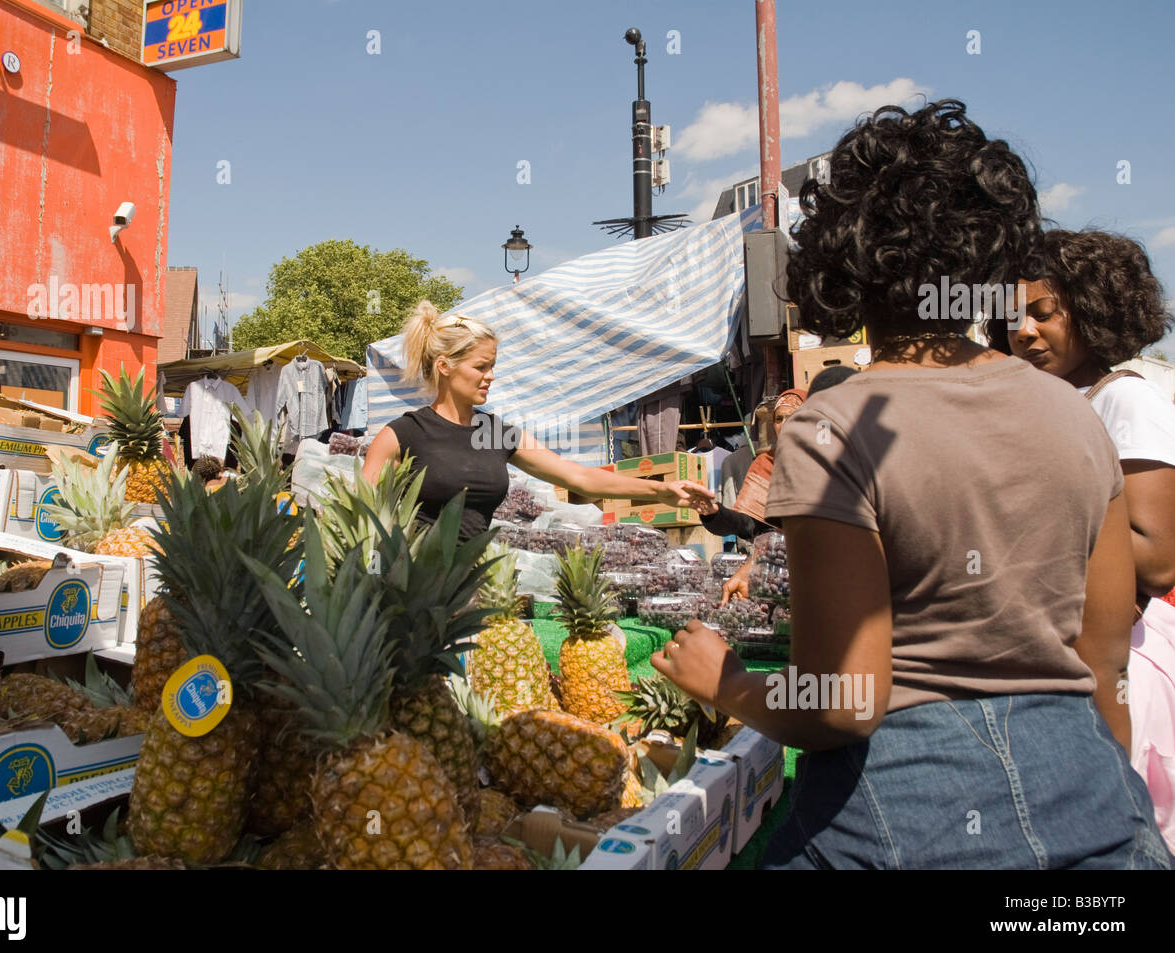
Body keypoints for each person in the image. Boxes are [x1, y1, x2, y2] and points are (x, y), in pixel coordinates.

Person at [652, 99, 1169, 869]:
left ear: (836, 258)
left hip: (904, 807)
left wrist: (727, 686)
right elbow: (1104, 665)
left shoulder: (834, 426)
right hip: (1093, 796)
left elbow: (847, 704)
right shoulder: (1075, 415)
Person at [995, 229, 1175, 852]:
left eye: (1043, 315)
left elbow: (1154, 556)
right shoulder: (1065, 400)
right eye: (1014, 319)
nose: (1024, 332)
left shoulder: (1125, 397)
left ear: (1094, 311)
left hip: (1125, 661)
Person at [362, 302, 714, 540]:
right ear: (445, 366)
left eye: (493, 366)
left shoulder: (495, 434)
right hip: (414, 592)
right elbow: (363, 521)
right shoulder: (402, 435)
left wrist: (661, 491)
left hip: (473, 589)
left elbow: (578, 477)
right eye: (481, 367)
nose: (490, 376)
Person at [707, 371, 858, 602]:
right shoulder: (765, 463)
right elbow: (751, 526)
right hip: (776, 575)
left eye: (794, 416)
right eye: (779, 419)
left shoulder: (833, 459)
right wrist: (712, 513)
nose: (785, 425)